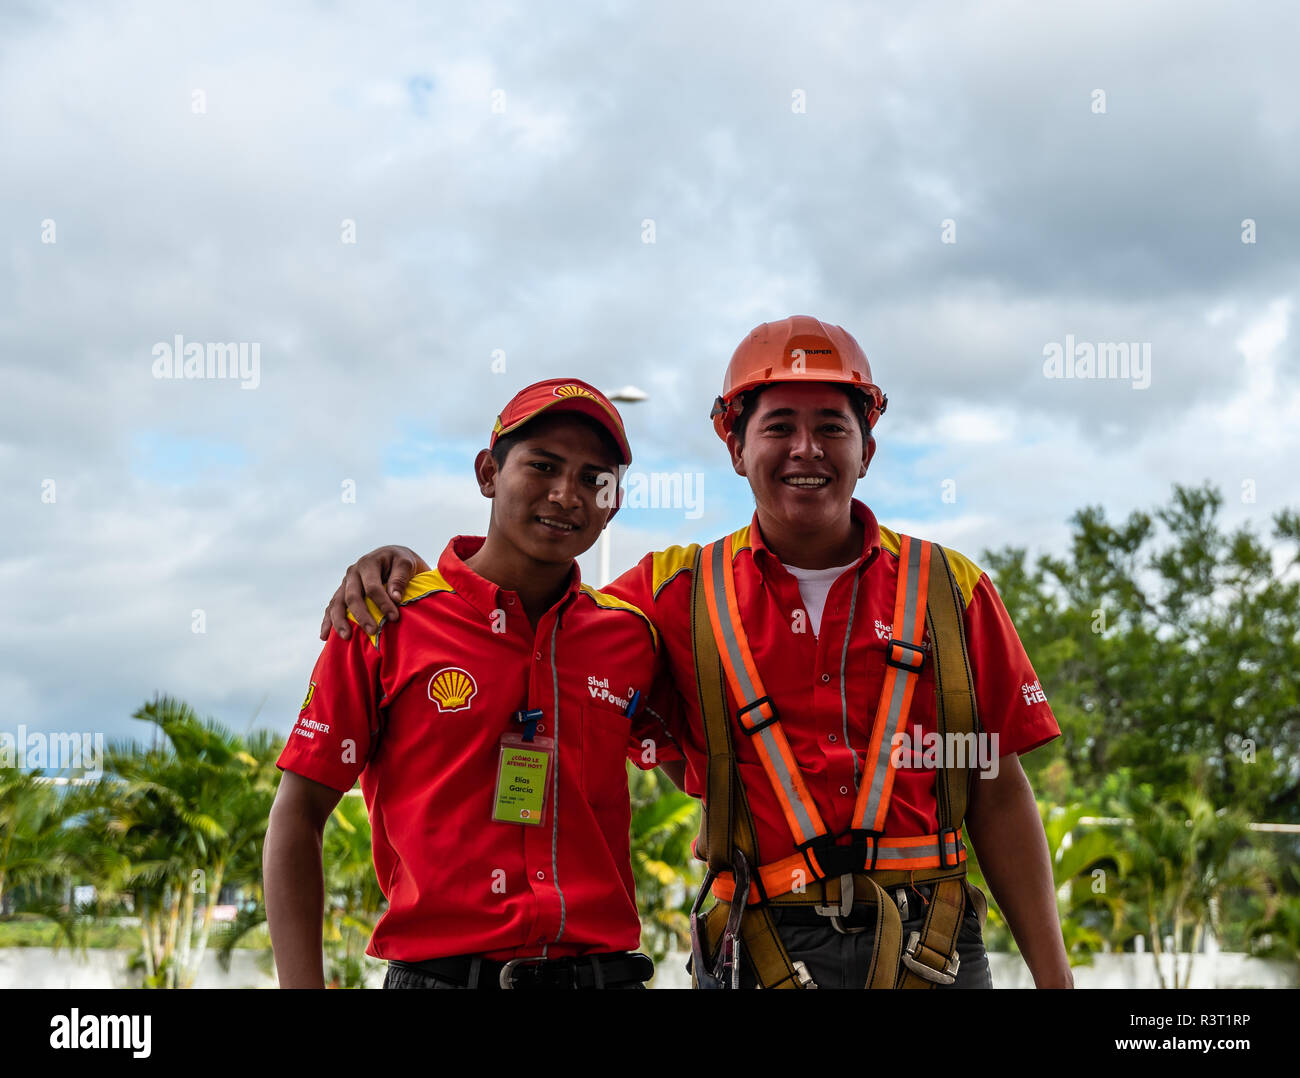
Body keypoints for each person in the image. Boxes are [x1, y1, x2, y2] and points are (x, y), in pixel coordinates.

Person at [322, 317, 1074, 989]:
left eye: (832, 429)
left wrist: (1055, 980)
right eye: (778, 426)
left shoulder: (952, 590)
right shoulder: (666, 594)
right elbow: (526, 608)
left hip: (932, 949)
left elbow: (996, 785)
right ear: (736, 448)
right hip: (759, 949)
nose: (805, 450)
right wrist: (397, 568)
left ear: (868, 450)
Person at [265, 378, 672, 989]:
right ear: (488, 473)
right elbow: (298, 816)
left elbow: (714, 770)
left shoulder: (632, 638)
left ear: (614, 503)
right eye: (543, 466)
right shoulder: (387, 619)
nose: (567, 495)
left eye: (595, 479)